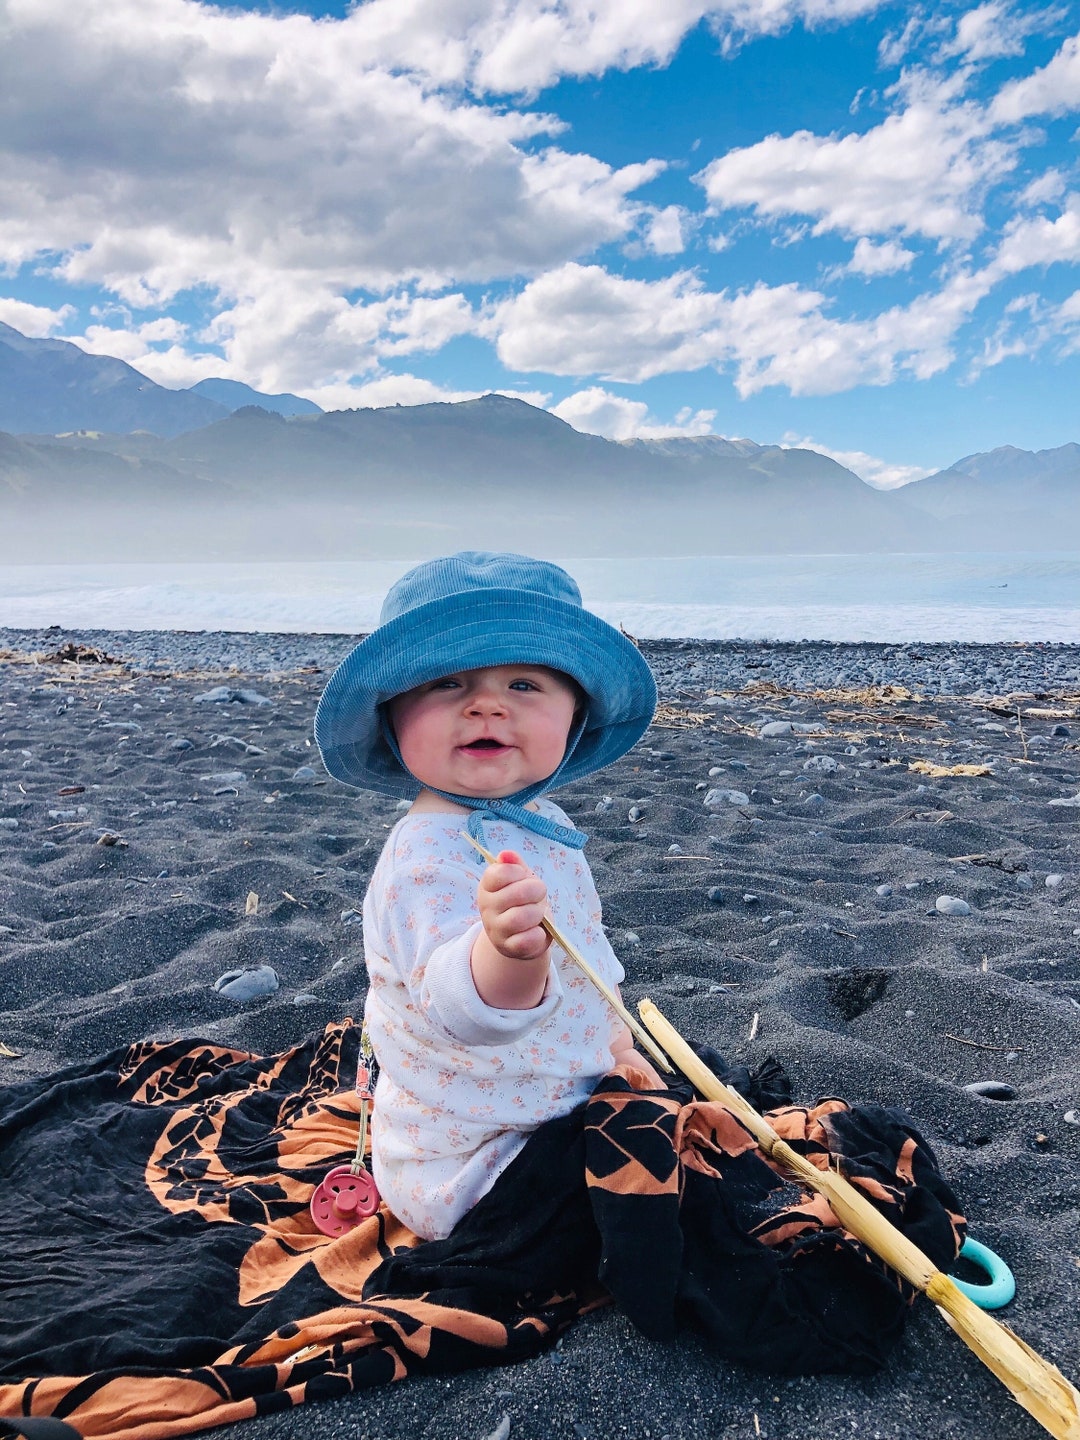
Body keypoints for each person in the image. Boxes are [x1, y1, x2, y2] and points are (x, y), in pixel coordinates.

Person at [314, 551, 663, 1240]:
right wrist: (508, 953)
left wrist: (616, 1037)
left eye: (526, 684)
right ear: (392, 716)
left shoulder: (547, 827)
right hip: (473, 1158)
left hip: (553, 1097)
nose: (487, 704)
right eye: (447, 681)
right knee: (655, 1199)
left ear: (574, 716)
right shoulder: (423, 857)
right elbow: (463, 1009)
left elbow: (587, 958)